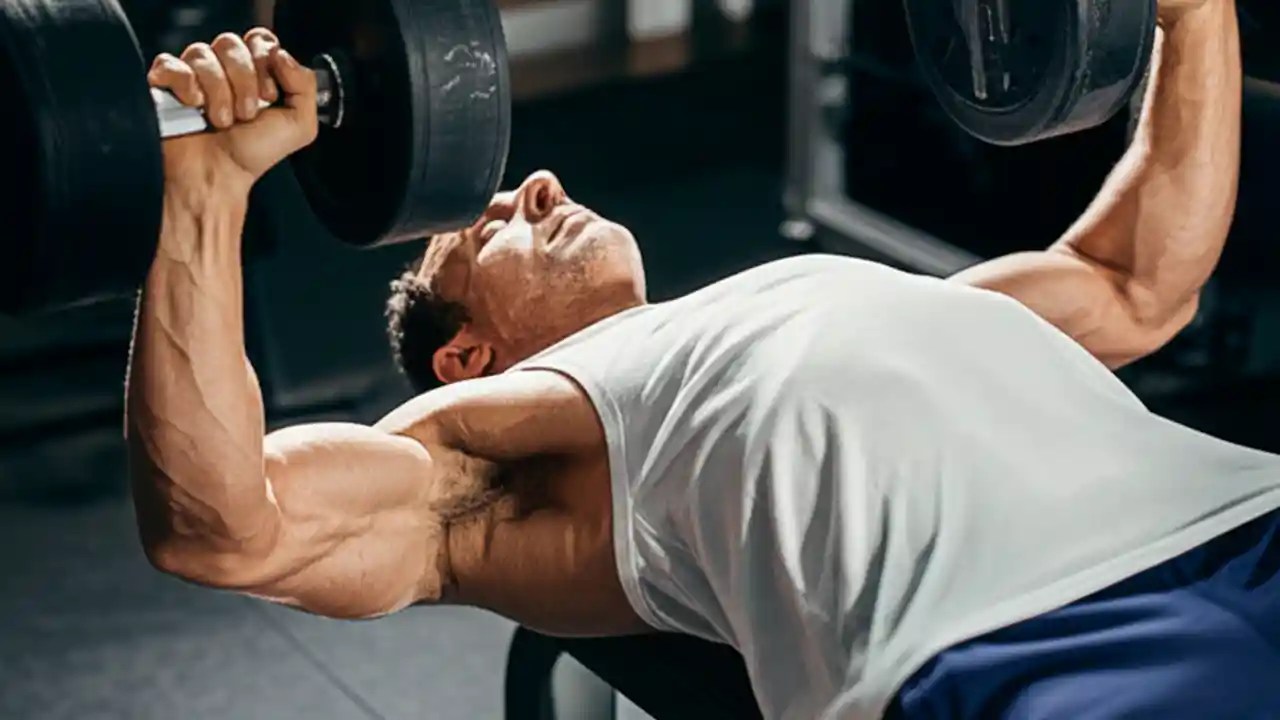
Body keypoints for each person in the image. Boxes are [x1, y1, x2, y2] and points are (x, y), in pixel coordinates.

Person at [127, 0, 1279, 717]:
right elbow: (229, 528)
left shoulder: (839, 294)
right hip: (1035, 645)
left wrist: (1192, 17)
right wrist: (205, 194)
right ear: (464, 355)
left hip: (1245, 518)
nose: (540, 185)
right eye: (487, 232)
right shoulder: (492, 446)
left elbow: (1137, 281)